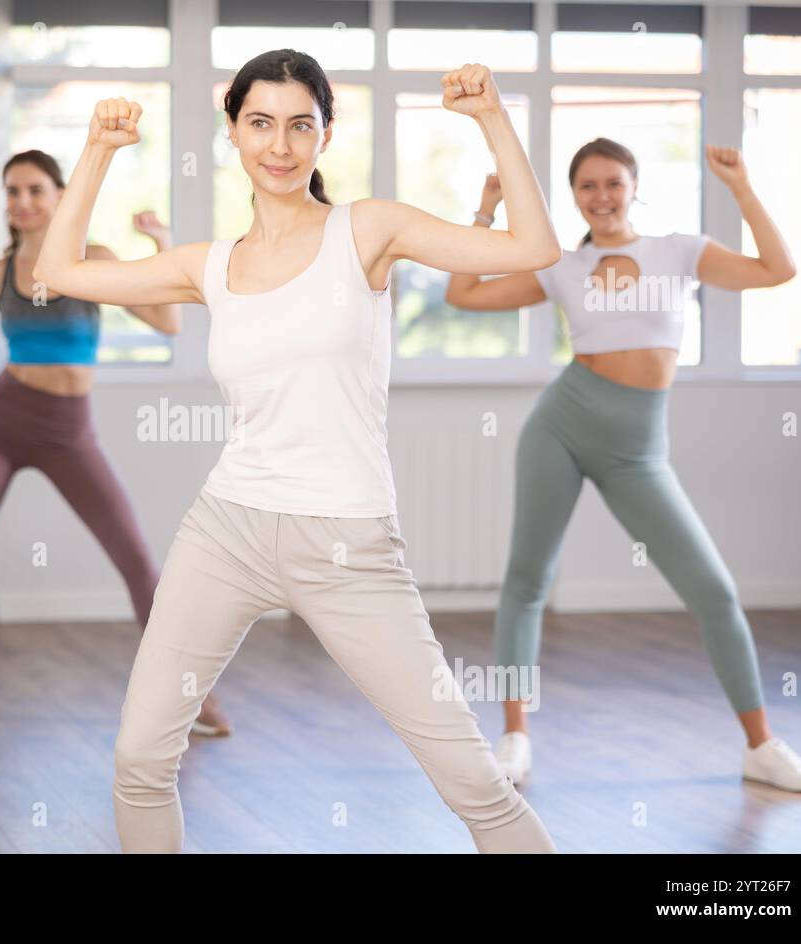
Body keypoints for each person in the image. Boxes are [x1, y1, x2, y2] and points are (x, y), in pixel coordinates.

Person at [36, 51, 563, 852]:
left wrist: (492, 117)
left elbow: (534, 248)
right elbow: (58, 269)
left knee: (471, 781)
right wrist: (100, 149)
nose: (278, 145)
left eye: (299, 124)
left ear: (323, 135)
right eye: (259, 124)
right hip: (227, 530)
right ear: (233, 133)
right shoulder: (209, 264)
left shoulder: (369, 229)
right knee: (140, 756)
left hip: (347, 542)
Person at [444, 137, 801, 793]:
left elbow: (777, 269)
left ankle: (760, 745)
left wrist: (741, 188)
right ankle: (513, 737)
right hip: (560, 426)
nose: (601, 197)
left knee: (713, 591)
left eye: (613, 183)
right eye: (587, 186)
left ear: (634, 185)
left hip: (637, 451)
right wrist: (485, 210)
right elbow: (464, 295)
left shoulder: (679, 252)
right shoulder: (559, 264)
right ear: (574, 197)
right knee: (527, 580)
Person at [0, 149, 231, 736]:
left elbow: (167, 322)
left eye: (35, 189)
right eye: (13, 191)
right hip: (3, 422)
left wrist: (160, 239)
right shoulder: (1, 268)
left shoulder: (92, 261)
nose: (23, 201)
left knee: (135, 558)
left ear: (60, 195)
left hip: (68, 431)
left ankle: (188, 692)